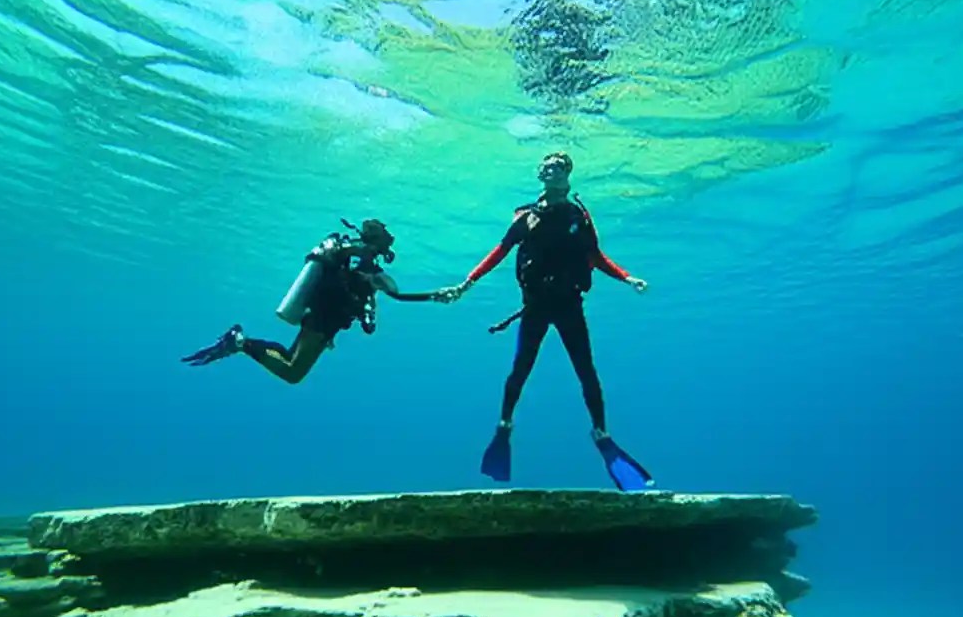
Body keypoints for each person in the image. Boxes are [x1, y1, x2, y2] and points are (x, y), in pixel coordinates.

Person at [437, 152, 656, 490]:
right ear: (540, 173)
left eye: (560, 166)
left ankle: (602, 433)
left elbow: (595, 257)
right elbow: (499, 251)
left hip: (569, 305)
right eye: (549, 166)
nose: (553, 170)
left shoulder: (578, 216)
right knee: (520, 369)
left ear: (568, 175)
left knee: (587, 371)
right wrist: (466, 284)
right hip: (536, 306)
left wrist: (627, 278)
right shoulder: (526, 218)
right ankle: (504, 425)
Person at [181, 219, 442, 384]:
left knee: (289, 359)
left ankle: (240, 342)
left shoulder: (350, 257)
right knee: (293, 372)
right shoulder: (369, 269)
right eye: (386, 236)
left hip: (320, 318)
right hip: (322, 321)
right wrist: (434, 295)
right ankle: (239, 342)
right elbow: (396, 294)